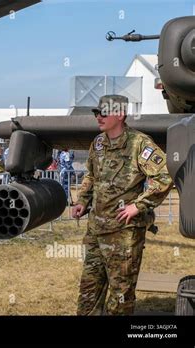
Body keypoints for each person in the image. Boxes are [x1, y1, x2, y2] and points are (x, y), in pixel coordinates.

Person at [72, 95, 173, 315]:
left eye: (103, 113)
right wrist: (82, 201)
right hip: (96, 231)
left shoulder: (139, 143)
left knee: (120, 295)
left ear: (119, 114)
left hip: (123, 233)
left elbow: (164, 175)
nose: (98, 117)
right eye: (96, 113)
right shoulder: (98, 143)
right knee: (89, 291)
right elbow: (91, 175)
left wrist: (138, 206)